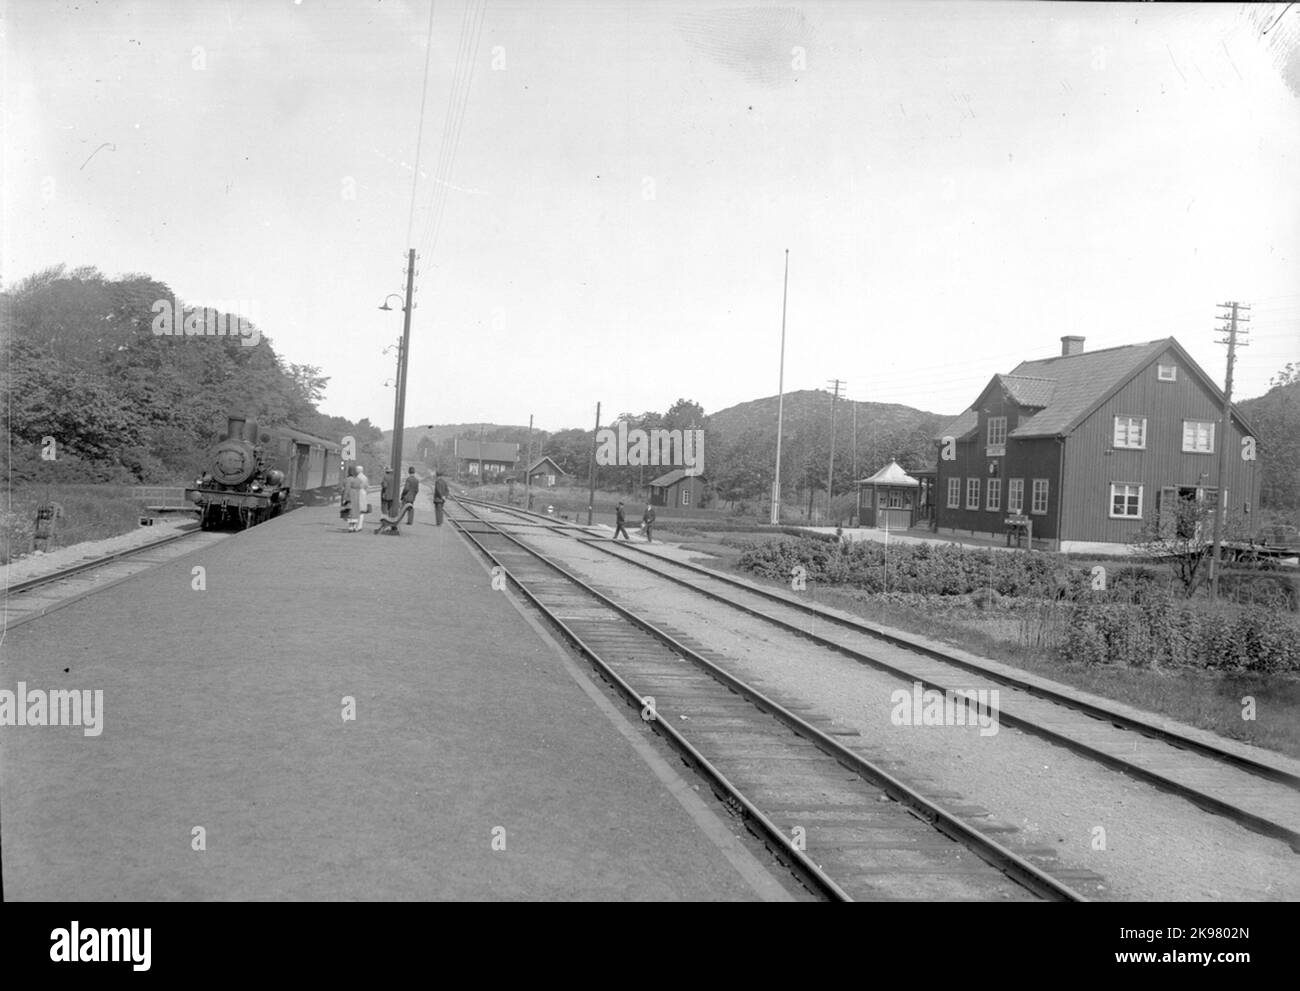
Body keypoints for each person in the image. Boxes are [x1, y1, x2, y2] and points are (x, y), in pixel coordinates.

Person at [343, 465, 362, 532]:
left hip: (351, 496)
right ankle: (354, 526)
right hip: (356, 496)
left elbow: (347, 489)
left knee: (350, 511)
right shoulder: (358, 479)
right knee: (355, 511)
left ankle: (350, 527)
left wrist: (345, 497)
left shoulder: (349, 479)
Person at [355, 466, 370, 531]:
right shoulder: (365, 477)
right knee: (362, 512)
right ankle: (360, 526)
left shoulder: (355, 478)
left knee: (355, 511)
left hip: (356, 493)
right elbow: (367, 487)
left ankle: (354, 526)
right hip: (363, 494)